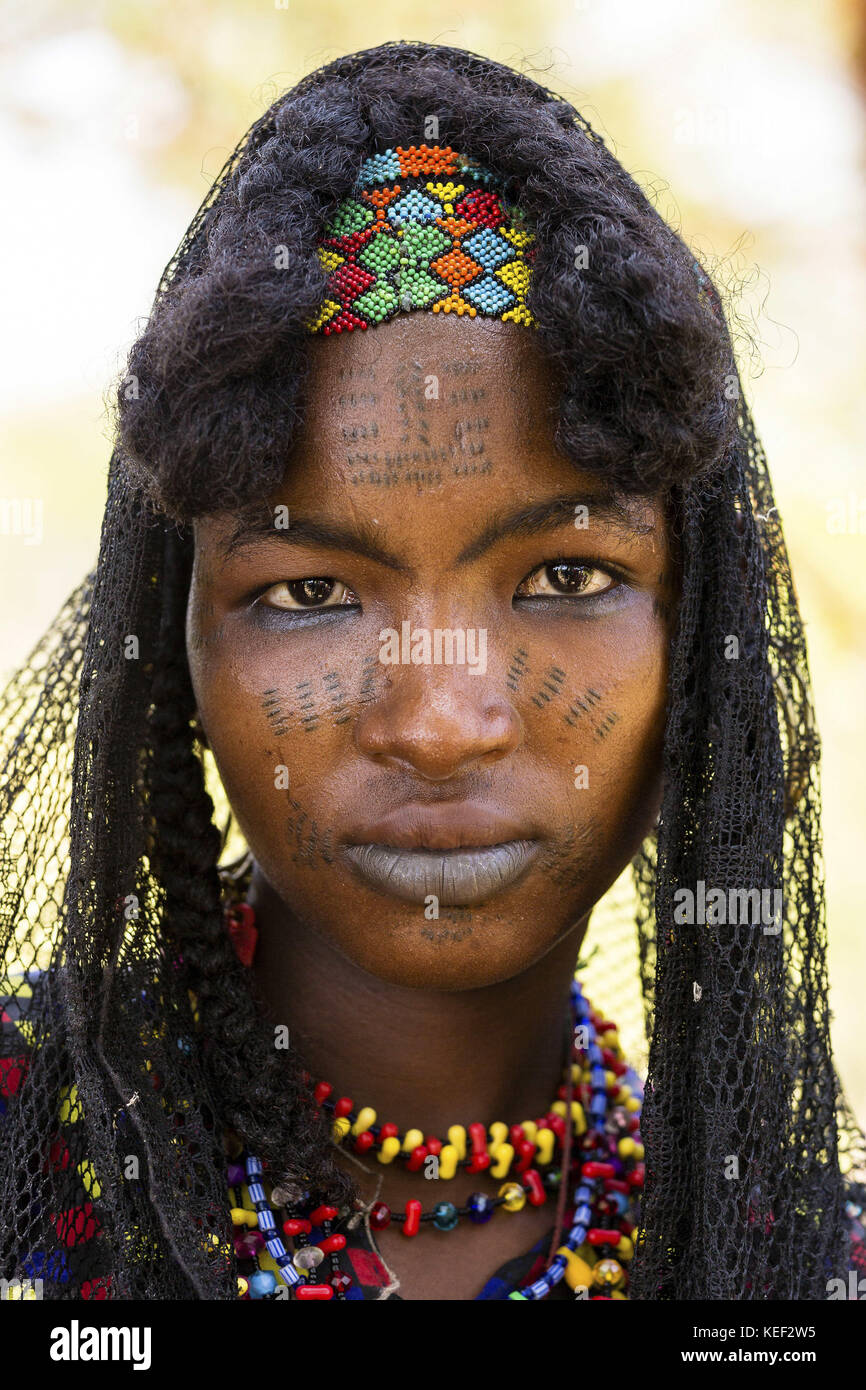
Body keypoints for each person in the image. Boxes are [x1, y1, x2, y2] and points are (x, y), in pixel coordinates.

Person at [1, 39, 864, 1303]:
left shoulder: (794, 1269)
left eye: (565, 579)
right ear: (175, 656)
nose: (439, 719)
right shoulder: (39, 1160)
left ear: (703, 649)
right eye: (308, 594)